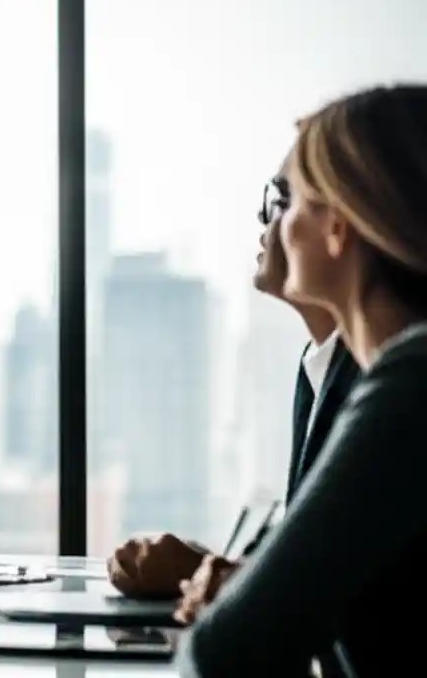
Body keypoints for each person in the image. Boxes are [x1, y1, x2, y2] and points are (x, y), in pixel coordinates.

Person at [174, 83, 427, 676]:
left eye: (294, 203)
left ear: (338, 225)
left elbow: (223, 652)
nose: (278, 224)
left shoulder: (413, 383)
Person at [107, 149, 361, 600]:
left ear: (342, 223)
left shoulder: (389, 388)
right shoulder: (319, 368)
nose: (262, 217)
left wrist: (214, 577)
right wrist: (216, 570)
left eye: (282, 198)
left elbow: (335, 592)